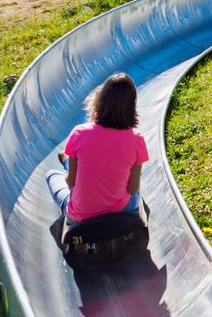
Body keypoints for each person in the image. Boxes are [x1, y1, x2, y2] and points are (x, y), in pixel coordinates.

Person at [46, 73, 148, 225]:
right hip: (120, 211)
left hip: (80, 216)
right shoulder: (137, 139)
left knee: (52, 175)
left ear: (100, 101)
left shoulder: (79, 133)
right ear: (131, 106)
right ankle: (68, 160)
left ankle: (67, 160)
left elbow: (71, 182)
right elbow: (133, 188)